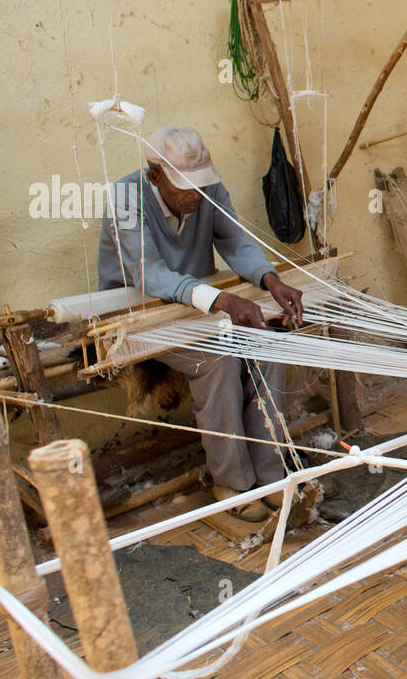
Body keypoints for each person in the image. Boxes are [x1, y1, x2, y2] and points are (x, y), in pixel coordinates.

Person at [99, 126, 304, 522]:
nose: (197, 196)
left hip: (200, 309)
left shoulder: (206, 192)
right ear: (155, 176)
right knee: (218, 361)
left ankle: (270, 471)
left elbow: (235, 242)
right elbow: (151, 274)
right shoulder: (125, 198)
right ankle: (232, 482)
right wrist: (223, 300)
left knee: (268, 342)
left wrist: (270, 279)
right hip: (141, 318)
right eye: (186, 187)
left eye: (201, 186)